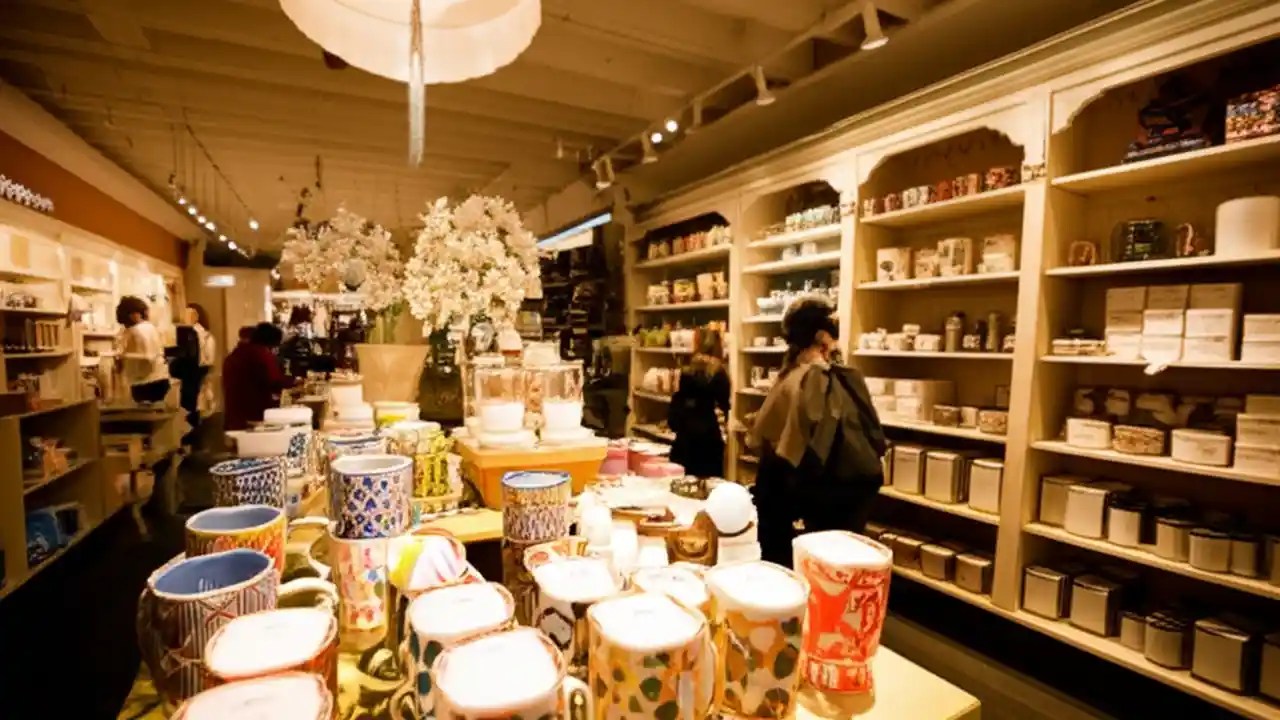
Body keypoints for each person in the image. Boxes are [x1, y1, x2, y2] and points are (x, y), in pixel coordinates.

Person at [747, 296, 887, 567]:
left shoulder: (798, 376)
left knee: (813, 566)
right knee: (836, 566)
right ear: (824, 337)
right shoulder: (838, 376)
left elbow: (777, 442)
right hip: (850, 488)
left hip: (822, 489)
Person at [668, 329, 730, 478]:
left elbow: (680, 400)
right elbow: (725, 405)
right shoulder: (719, 373)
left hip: (685, 437)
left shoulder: (687, 371)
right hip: (708, 438)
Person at [222, 322, 293, 431]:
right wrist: (296, 381)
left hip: (234, 417)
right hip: (255, 417)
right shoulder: (261, 355)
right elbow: (275, 382)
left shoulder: (235, 354)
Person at [116, 296, 170, 404]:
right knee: (155, 414)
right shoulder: (150, 327)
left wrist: (123, 356)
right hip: (160, 377)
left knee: (145, 415)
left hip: (145, 382)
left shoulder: (136, 331)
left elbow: (147, 357)